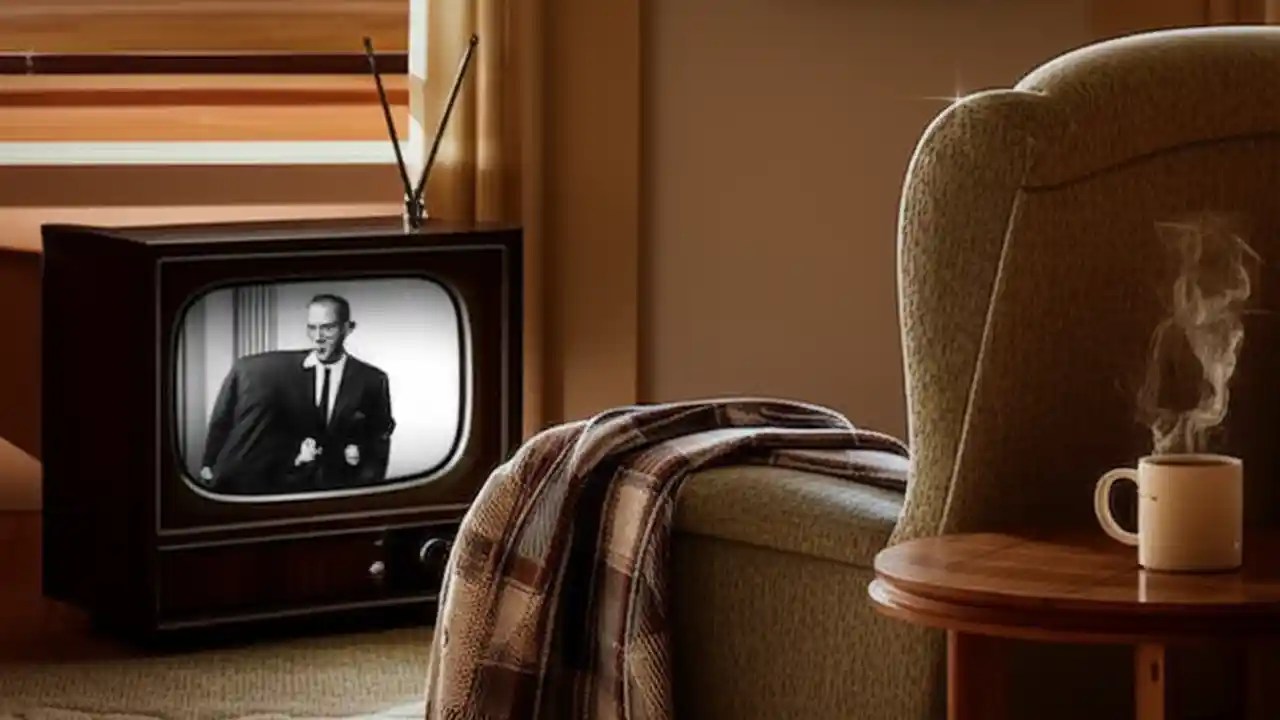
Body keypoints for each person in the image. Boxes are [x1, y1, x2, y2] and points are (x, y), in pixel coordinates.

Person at [199, 293, 396, 494]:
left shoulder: (372, 379)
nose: (318, 337)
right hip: (286, 488)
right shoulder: (282, 373)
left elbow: (379, 439)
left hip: (339, 490)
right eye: (312, 328)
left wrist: (366, 485)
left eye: (328, 328)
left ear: (348, 328)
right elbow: (227, 421)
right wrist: (210, 463)